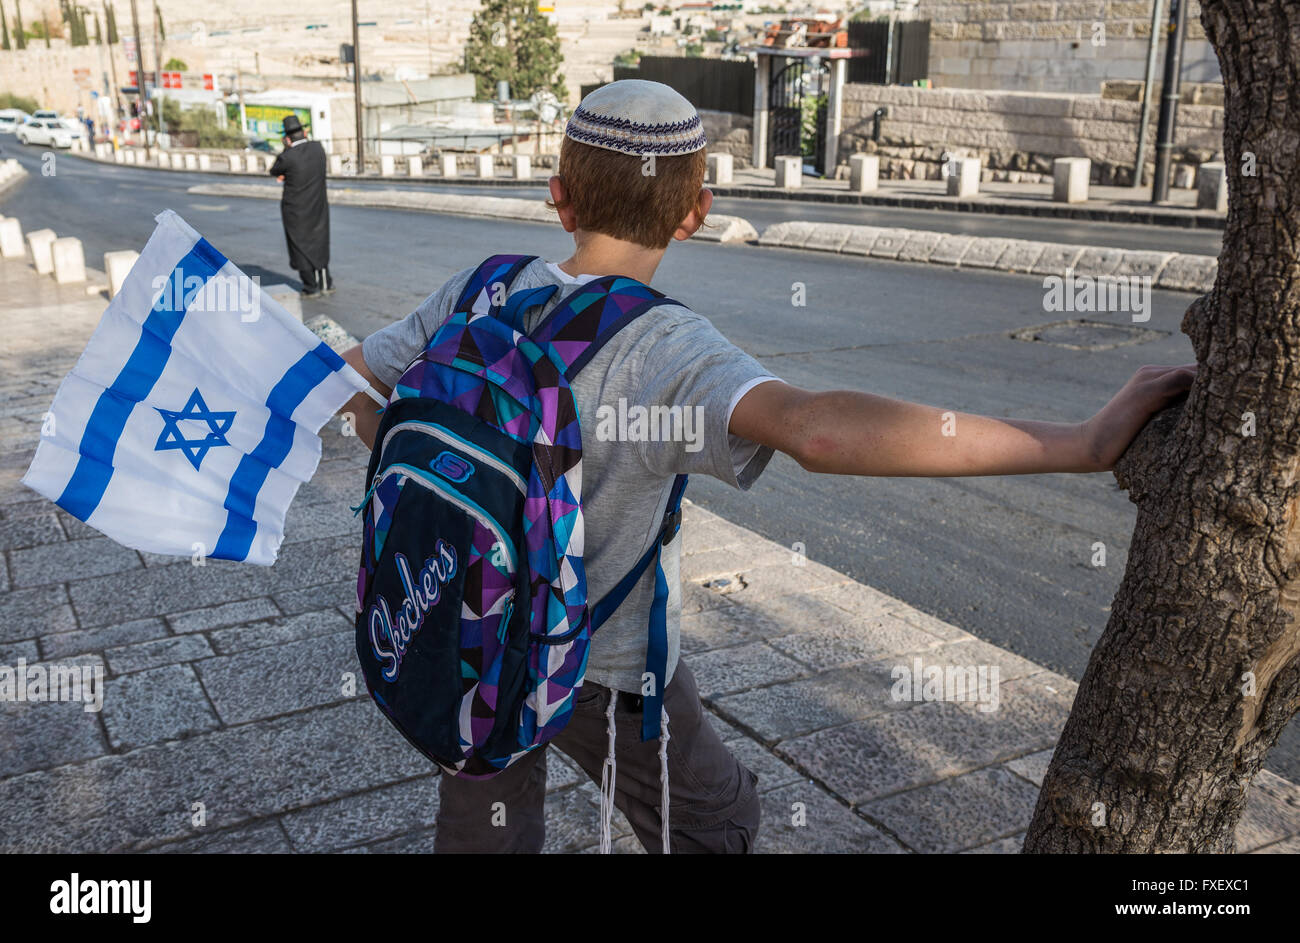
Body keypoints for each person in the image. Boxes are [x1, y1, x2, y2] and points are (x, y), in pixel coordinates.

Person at [335, 80, 1195, 853]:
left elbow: (352, 384)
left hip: (467, 629)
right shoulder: (667, 346)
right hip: (609, 667)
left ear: (558, 198)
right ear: (694, 212)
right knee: (717, 823)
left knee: (485, 826)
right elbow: (817, 430)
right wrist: (1079, 441)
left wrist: (459, 485)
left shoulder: (480, 289)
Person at [268, 114, 332, 296]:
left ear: (287, 138)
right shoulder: (318, 149)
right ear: (304, 132)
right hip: (318, 205)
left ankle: (311, 286)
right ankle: (326, 283)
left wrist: (285, 151)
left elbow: (274, 170)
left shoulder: (288, 157)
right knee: (320, 241)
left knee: (299, 246)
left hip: (295, 209)